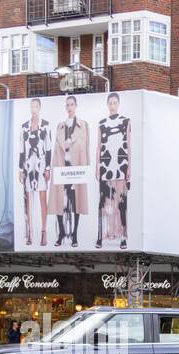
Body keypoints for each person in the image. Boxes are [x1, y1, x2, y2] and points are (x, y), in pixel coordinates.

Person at [48, 95, 89, 248]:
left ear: (76, 106)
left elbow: (86, 148)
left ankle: (75, 234)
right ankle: (62, 233)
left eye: (72, 104)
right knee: (59, 201)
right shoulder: (60, 126)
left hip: (76, 169)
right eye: (68, 105)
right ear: (66, 107)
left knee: (75, 200)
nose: (70, 107)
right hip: (61, 168)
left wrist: (86, 168)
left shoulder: (83, 125)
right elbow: (55, 151)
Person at [95, 93, 132, 250]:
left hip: (121, 163)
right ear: (107, 104)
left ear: (118, 104)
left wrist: (129, 166)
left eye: (115, 102)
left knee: (121, 202)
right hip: (106, 165)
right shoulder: (102, 123)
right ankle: (101, 236)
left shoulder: (125, 121)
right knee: (103, 202)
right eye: (110, 102)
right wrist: (97, 166)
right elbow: (99, 146)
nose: (112, 105)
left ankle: (123, 236)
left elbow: (128, 145)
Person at [19, 98, 51, 248]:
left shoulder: (45, 125)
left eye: (36, 106)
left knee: (42, 199)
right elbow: (21, 150)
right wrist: (20, 170)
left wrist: (48, 169)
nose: (34, 109)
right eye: (32, 106)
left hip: (41, 164)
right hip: (27, 165)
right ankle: (30, 232)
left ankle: (44, 232)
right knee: (28, 201)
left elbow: (48, 148)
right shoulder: (24, 127)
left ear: (40, 107)